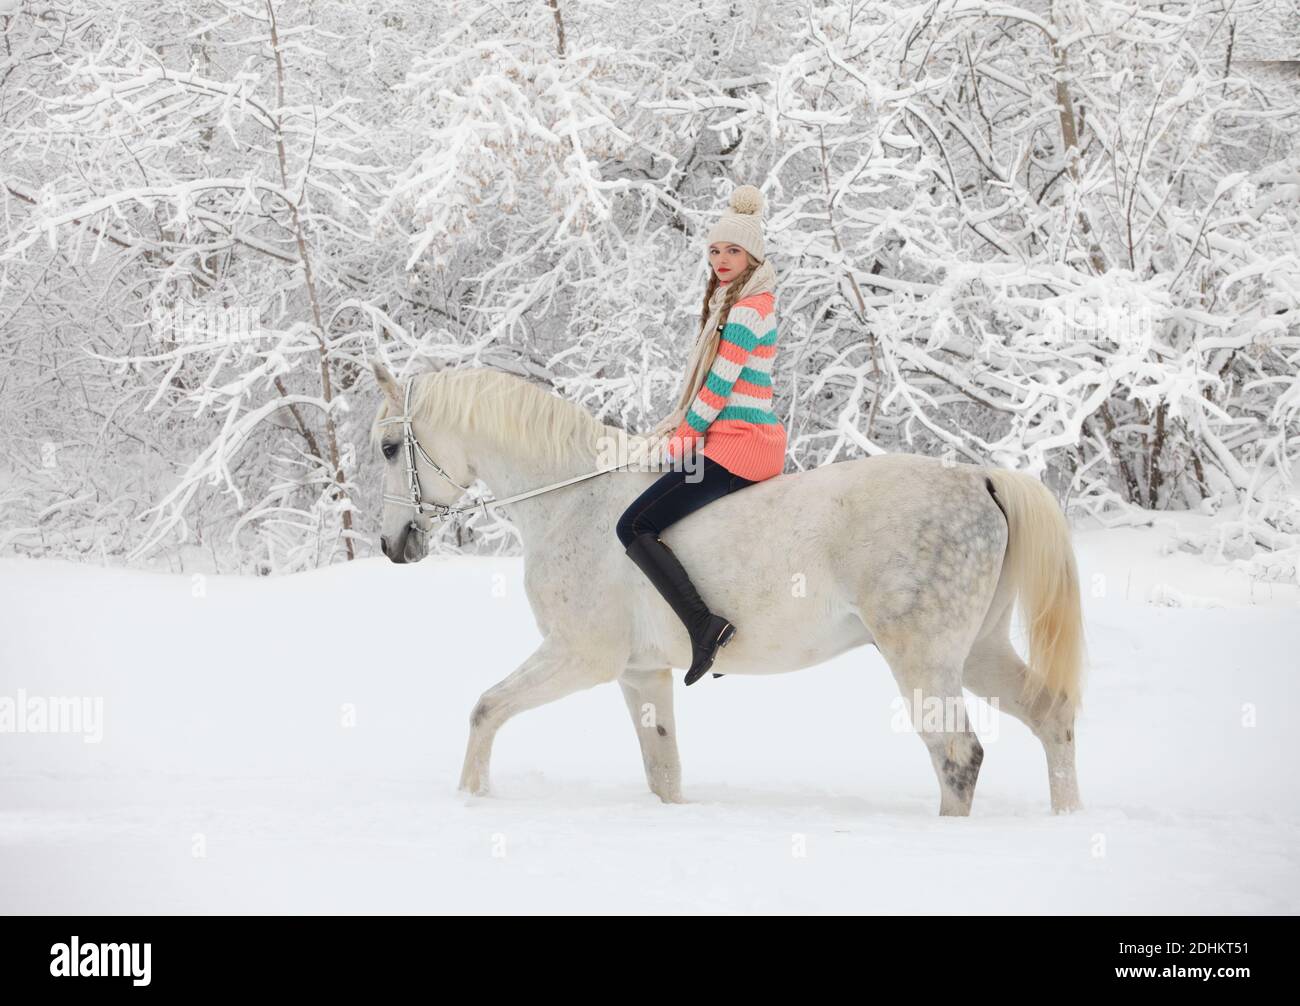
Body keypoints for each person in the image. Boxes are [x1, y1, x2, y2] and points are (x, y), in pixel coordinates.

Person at [616, 183, 787, 686]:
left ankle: (703, 625)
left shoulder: (746, 309)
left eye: (733, 250)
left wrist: (683, 439)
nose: (721, 259)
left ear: (753, 255)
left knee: (633, 527)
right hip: (737, 441)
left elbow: (718, 386)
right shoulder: (735, 303)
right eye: (714, 250)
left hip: (739, 447)